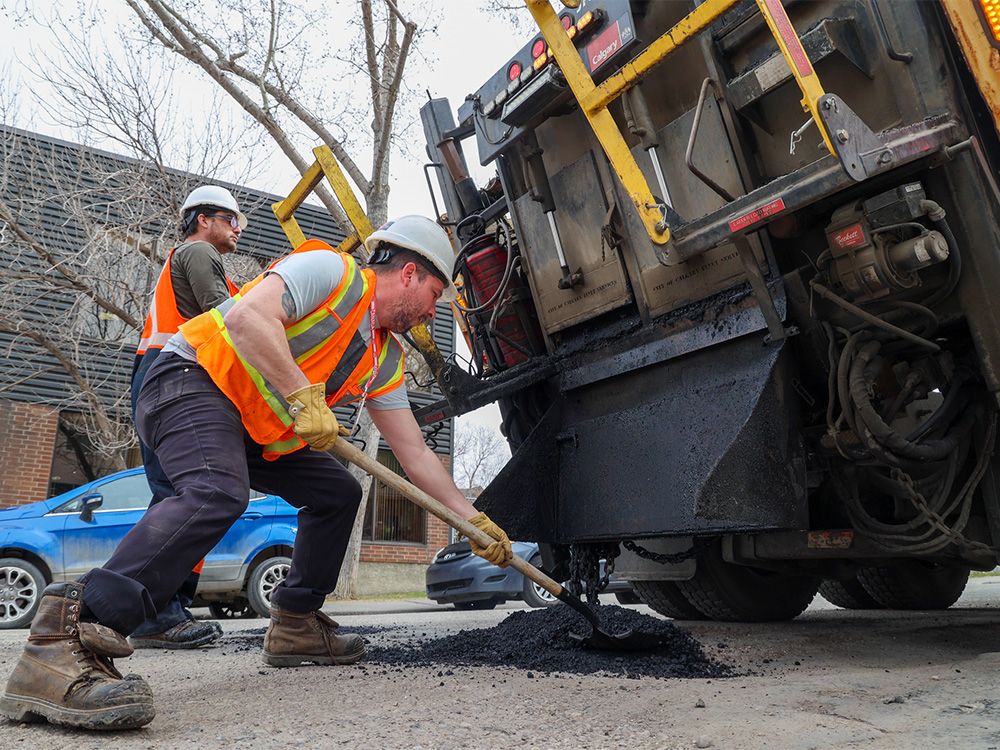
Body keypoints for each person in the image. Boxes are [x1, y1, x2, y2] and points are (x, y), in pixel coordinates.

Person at [0, 215, 513, 731]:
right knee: (217, 491)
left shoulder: (383, 357)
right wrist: (300, 392)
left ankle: (294, 623)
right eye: (433, 294)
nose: (430, 311)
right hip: (190, 378)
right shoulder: (330, 271)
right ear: (408, 273)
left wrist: (472, 520)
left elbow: (416, 453)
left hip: (250, 426)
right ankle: (67, 634)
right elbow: (248, 320)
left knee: (336, 489)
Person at [128, 185, 246, 650]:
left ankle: (170, 607)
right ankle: (152, 613)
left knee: (192, 493)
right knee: (178, 493)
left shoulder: (202, 258)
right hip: (169, 373)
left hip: (175, 375)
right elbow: (228, 320)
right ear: (203, 219)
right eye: (231, 219)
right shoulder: (197, 251)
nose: (238, 229)